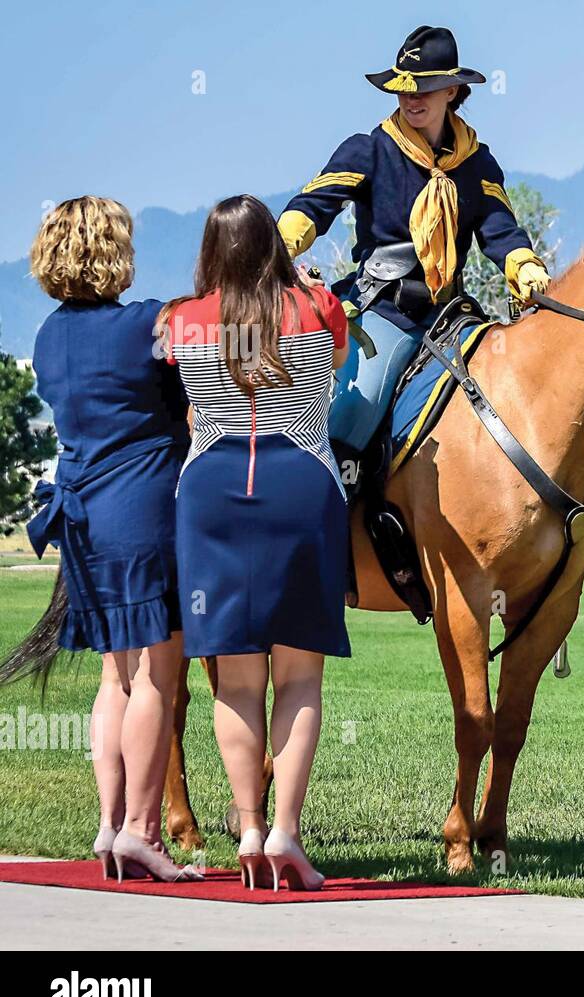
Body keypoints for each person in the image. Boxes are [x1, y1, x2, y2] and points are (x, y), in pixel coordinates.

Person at [163, 195, 351, 891]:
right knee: (299, 677)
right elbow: (335, 359)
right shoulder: (317, 308)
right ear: (274, 242)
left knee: (234, 684)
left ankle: (246, 828)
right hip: (300, 482)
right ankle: (286, 834)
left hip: (210, 490)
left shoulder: (182, 319)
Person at [276, 25, 551, 494]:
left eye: (423, 89)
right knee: (353, 410)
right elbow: (312, 207)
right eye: (403, 88)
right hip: (385, 312)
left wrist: (524, 266)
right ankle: (330, 519)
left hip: (451, 316)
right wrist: (280, 248)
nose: (410, 99)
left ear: (452, 90)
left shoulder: (478, 163)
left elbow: (500, 228)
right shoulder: (368, 150)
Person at [23, 197, 198, 882]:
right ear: (113, 250)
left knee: (114, 676)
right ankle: (141, 829)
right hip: (143, 508)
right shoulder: (145, 325)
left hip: (80, 517)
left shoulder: (45, 337)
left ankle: (109, 821)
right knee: (158, 671)